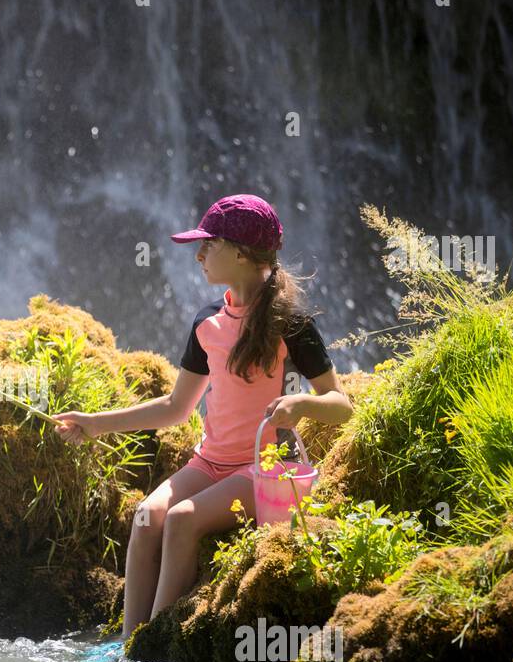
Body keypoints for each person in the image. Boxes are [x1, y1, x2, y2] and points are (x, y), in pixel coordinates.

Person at [54, 194, 353, 639]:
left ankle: (152, 642)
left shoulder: (291, 323)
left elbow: (342, 404)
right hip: (211, 462)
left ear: (240, 253)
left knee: (181, 519)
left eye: (207, 245)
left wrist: (300, 404)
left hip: (268, 469)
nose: (197, 255)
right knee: (144, 516)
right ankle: (126, 641)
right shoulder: (206, 322)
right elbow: (177, 408)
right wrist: (95, 423)